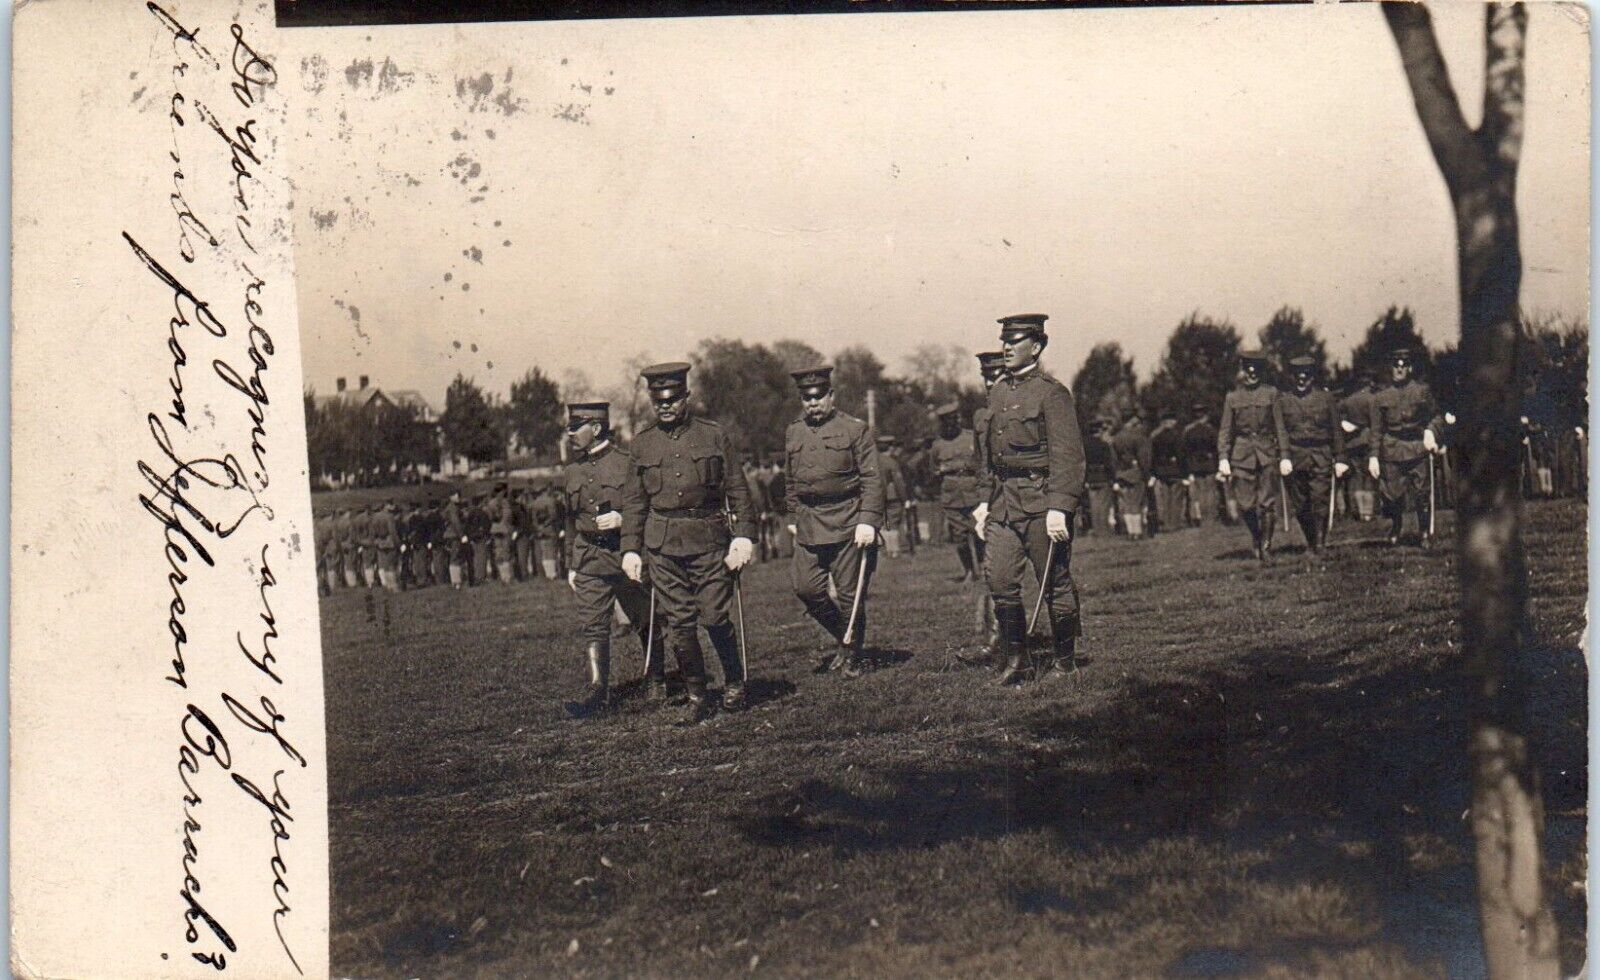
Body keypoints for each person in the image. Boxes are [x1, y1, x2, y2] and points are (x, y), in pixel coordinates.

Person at [631, 362, 758, 722]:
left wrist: (744, 536)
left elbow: (737, 488)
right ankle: (697, 694)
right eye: (659, 401)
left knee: (715, 617)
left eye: (672, 399)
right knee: (680, 623)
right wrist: (630, 549)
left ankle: (734, 680)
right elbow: (634, 502)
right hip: (663, 546)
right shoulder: (642, 443)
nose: (665, 406)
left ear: (686, 397)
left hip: (708, 541)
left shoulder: (713, 435)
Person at [973, 314, 1086, 685]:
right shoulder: (998, 392)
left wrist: (1060, 507)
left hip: (1041, 502)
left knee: (1054, 582)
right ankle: (1017, 661)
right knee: (1000, 580)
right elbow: (989, 455)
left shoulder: (1052, 394)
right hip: (1004, 503)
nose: (1006, 347)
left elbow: (1068, 456)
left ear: (1035, 347)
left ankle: (1065, 662)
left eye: (1015, 341)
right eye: (1004, 341)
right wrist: (984, 502)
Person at [560, 402, 660, 718]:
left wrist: (623, 519)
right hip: (589, 556)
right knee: (593, 624)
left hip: (625, 552)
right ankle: (597, 691)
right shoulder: (572, 470)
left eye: (576, 428)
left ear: (596, 428)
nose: (570, 434)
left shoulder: (627, 463)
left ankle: (656, 678)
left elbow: (649, 507)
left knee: (645, 617)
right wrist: (571, 564)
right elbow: (570, 520)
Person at [783, 366, 884, 676]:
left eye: (818, 397)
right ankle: (845, 637)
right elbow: (790, 480)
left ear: (831, 395)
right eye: (806, 398)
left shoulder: (855, 429)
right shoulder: (794, 431)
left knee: (851, 595)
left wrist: (868, 520)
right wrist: (793, 516)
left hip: (847, 520)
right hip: (809, 523)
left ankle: (853, 654)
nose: (813, 403)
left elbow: (872, 478)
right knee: (806, 588)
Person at [1218, 350, 1289, 562]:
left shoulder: (1271, 394)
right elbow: (1225, 430)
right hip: (1242, 455)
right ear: (1243, 371)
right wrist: (1223, 457)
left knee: (1267, 502)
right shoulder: (1232, 397)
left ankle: (1266, 547)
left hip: (1267, 453)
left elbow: (1280, 427)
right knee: (1245, 504)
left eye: (1256, 369)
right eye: (1248, 370)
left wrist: (1285, 454)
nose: (1252, 373)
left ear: (1261, 371)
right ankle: (1257, 537)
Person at [1368, 347, 1443, 547]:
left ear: (1410, 368)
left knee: (1422, 493)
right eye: (1395, 366)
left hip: (1417, 447)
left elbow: (1436, 416)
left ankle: (1424, 532)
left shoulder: (1422, 391)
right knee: (1392, 495)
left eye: (1403, 366)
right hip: (1392, 449)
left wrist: (1431, 432)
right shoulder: (1381, 397)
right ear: (1391, 368)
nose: (1399, 370)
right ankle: (1396, 526)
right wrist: (1373, 456)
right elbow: (1376, 430)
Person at [1278, 356, 1347, 553]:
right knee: (1300, 503)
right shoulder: (1283, 401)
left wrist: (1340, 457)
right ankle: (1311, 540)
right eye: (1298, 375)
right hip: (1295, 455)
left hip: (1320, 454)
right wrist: (1284, 456)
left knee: (1319, 498)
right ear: (1292, 377)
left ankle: (1320, 543)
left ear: (1312, 377)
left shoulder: (1326, 399)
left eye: (1306, 375)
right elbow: (1281, 430)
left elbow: (1336, 430)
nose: (1302, 379)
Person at [930, 402, 982, 582]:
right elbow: (933, 470)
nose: (950, 425)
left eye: (953, 420)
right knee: (959, 537)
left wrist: (956, 466)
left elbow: (981, 462)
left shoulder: (971, 438)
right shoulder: (937, 445)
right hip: (951, 496)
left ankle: (983, 568)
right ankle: (969, 571)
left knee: (979, 531)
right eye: (946, 422)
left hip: (974, 491)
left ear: (958, 420)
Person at [1340, 371, 1381, 521]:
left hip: (1352, 443)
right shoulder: (1372, 399)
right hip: (1368, 441)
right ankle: (1368, 512)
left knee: (1355, 476)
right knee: (1369, 476)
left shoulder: (1347, 401)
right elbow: (1375, 423)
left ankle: (1356, 511)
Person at [1111, 412, 1152, 539]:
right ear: (1132, 422)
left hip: (1121, 474)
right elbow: (1144, 459)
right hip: (1135, 473)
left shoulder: (1115, 438)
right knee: (1136, 503)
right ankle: (1137, 531)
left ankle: (1130, 531)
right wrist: (1147, 474)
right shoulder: (1138, 437)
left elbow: (1113, 459)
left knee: (1127, 503)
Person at [1180, 403, 1220, 527]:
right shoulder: (1211, 429)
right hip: (1209, 464)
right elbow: (1216, 447)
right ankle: (1209, 517)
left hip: (1194, 464)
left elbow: (1184, 450)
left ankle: (1196, 517)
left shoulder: (1188, 430)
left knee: (1195, 493)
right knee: (1210, 492)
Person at [1148, 411, 1185, 533]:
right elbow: (1181, 455)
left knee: (1164, 499)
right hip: (1175, 470)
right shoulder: (1177, 436)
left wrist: (1153, 472)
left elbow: (1153, 457)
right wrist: (1184, 472)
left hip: (1161, 471)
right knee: (1176, 498)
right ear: (1171, 421)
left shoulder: (1156, 437)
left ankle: (1165, 522)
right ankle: (1175, 523)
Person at [1081, 417, 1117, 535]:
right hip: (1103, 476)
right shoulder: (1103, 445)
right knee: (1104, 504)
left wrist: (1085, 479)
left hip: (1090, 477)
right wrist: (1112, 477)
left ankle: (1096, 528)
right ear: (1099, 430)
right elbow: (1108, 463)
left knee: (1094, 504)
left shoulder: (1084, 445)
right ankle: (1103, 529)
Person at [877, 436, 910, 557]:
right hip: (892, 495)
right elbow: (898, 482)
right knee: (893, 523)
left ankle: (884, 549)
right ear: (890, 447)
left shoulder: (873, 461)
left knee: (882, 523)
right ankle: (894, 550)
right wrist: (905, 498)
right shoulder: (891, 462)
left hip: (877, 496)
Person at [490, 482, 517, 583]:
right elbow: (508, 516)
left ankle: (502, 577)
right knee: (506, 552)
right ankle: (507, 577)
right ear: (503, 491)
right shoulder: (506, 502)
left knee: (498, 552)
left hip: (494, 529)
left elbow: (490, 517)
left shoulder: (491, 503)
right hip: (505, 529)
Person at [443, 491, 469, 588]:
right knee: (455, 557)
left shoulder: (450, 507)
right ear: (451, 497)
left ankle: (456, 580)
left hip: (451, 535)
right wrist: (462, 535)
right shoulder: (453, 508)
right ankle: (456, 581)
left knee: (454, 557)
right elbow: (456, 522)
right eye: (456, 496)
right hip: (454, 535)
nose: (458, 497)